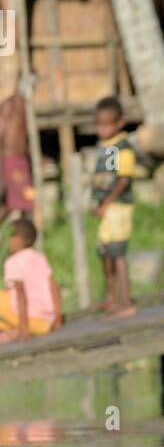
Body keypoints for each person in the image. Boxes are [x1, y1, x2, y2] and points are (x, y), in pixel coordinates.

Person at [0, 218, 63, 348]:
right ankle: (9, 333)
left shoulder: (13, 261)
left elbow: (21, 293)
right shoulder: (39, 257)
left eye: (8, 237)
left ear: (17, 239)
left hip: (27, 320)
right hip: (44, 324)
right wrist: (57, 317)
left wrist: (24, 327)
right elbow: (54, 287)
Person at [90, 95, 137, 316]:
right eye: (98, 124)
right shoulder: (108, 147)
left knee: (118, 252)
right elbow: (107, 178)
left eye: (107, 124)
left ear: (119, 124)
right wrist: (98, 201)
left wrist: (107, 203)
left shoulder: (122, 148)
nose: (102, 129)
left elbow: (123, 179)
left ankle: (126, 301)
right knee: (105, 251)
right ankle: (113, 297)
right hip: (107, 208)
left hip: (118, 208)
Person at [0, 81, 36, 244]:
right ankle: (22, 241)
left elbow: (23, 141)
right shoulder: (9, 106)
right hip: (10, 162)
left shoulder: (26, 106)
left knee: (11, 205)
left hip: (21, 161)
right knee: (26, 202)